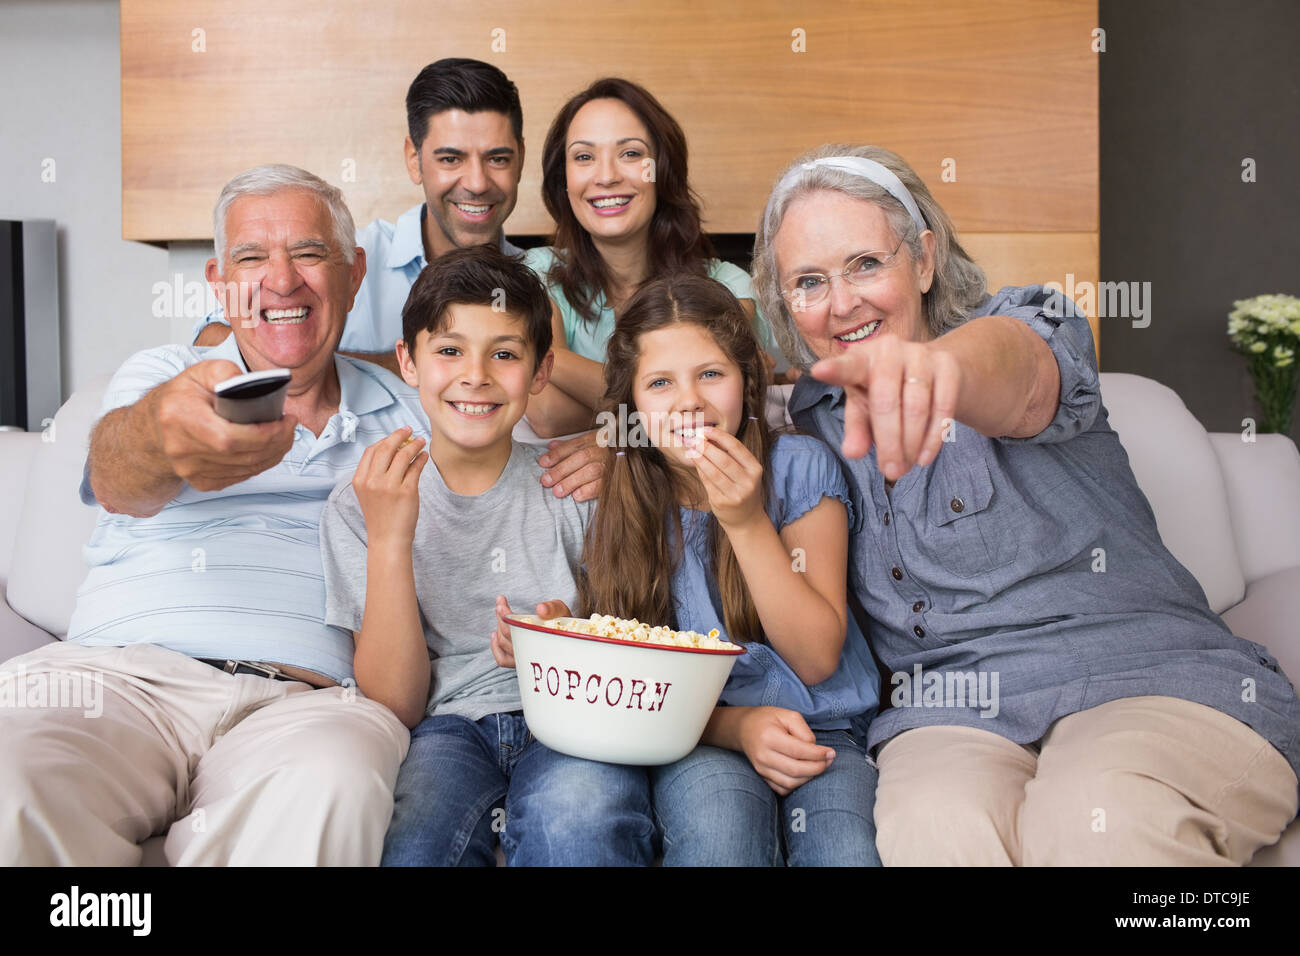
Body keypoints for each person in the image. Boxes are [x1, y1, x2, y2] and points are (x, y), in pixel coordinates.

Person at [750, 143, 1300, 865]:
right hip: (949, 713)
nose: (842, 301)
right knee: (932, 833)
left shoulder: (1032, 323)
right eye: (809, 281)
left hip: (1150, 679)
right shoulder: (806, 421)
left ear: (922, 257)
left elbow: (1022, 378)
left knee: (1096, 820)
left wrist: (933, 371)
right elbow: (675, 389)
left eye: (866, 264)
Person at [0, 164, 427, 865]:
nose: (282, 280)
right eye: (252, 258)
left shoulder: (413, 410)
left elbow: (503, 460)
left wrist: (607, 450)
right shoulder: (162, 376)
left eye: (310, 253)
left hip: (310, 704)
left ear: (353, 274)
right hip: (119, 680)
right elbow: (116, 474)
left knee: (336, 781)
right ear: (219, 281)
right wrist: (164, 438)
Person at [492, 274, 881, 866]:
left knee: (844, 853)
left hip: (826, 730)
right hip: (700, 733)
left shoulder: (800, 467)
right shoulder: (626, 499)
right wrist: (559, 630)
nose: (688, 402)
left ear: (748, 380)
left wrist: (746, 522)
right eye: (659, 383)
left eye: (711, 374)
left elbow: (816, 657)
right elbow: (637, 679)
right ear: (630, 406)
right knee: (721, 839)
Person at [318, 244, 655, 866]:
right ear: (408, 362)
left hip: (574, 716)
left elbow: (636, 636)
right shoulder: (364, 500)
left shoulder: (573, 483)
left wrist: (563, 636)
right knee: (418, 843)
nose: (476, 375)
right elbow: (396, 701)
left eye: (504, 354)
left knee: (578, 822)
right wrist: (391, 539)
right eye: (449, 351)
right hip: (448, 727)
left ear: (541, 371)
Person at [523, 77, 793, 440]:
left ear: (662, 170)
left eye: (631, 154)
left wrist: (553, 362)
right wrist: (666, 402)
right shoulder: (536, 273)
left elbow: (722, 407)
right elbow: (548, 414)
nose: (606, 176)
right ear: (564, 180)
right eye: (584, 157)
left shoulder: (728, 286)